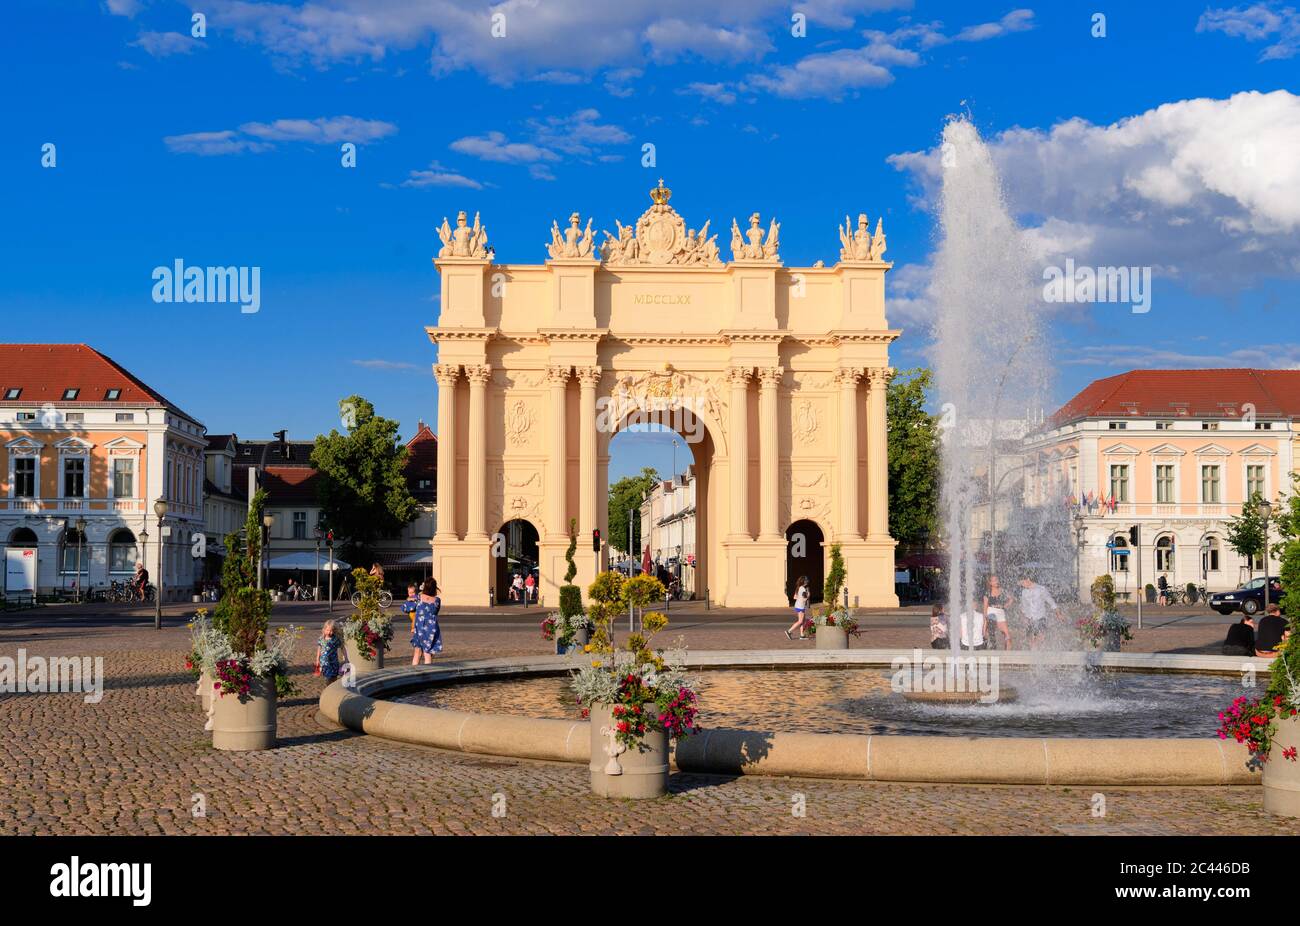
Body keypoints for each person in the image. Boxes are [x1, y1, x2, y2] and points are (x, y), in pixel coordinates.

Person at [1018, 574, 1062, 649]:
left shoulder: (1041, 589)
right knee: (1030, 639)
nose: (1022, 585)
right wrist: (1023, 617)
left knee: (1041, 637)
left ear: (1028, 579)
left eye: (1022, 583)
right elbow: (1023, 606)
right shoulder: (1024, 592)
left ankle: (1037, 651)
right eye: (1021, 584)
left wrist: (1058, 613)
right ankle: (1033, 653)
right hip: (1029, 618)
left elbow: (1051, 602)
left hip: (1040, 617)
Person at [411, 577, 443, 664]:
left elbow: (407, 607)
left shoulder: (418, 598)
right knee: (428, 652)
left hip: (419, 628)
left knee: (417, 652)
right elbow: (435, 612)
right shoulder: (437, 601)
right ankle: (428, 675)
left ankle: (415, 673)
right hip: (431, 628)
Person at [983, 574, 1013, 650]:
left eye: (997, 579)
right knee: (991, 634)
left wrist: (1004, 606)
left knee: (1008, 637)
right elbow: (985, 608)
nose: (996, 581)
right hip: (991, 612)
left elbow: (1011, 599)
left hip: (1000, 613)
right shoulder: (987, 593)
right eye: (994, 580)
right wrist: (984, 624)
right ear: (990, 583)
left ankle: (1007, 656)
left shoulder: (1002, 590)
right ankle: (992, 650)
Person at [786, 576, 811, 640]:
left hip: (798, 605)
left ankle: (802, 635)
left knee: (803, 620)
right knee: (800, 621)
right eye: (806, 581)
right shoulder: (803, 589)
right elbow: (804, 599)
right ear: (804, 582)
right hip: (801, 606)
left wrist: (800, 597)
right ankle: (789, 631)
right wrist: (808, 594)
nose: (807, 582)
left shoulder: (798, 588)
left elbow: (795, 597)